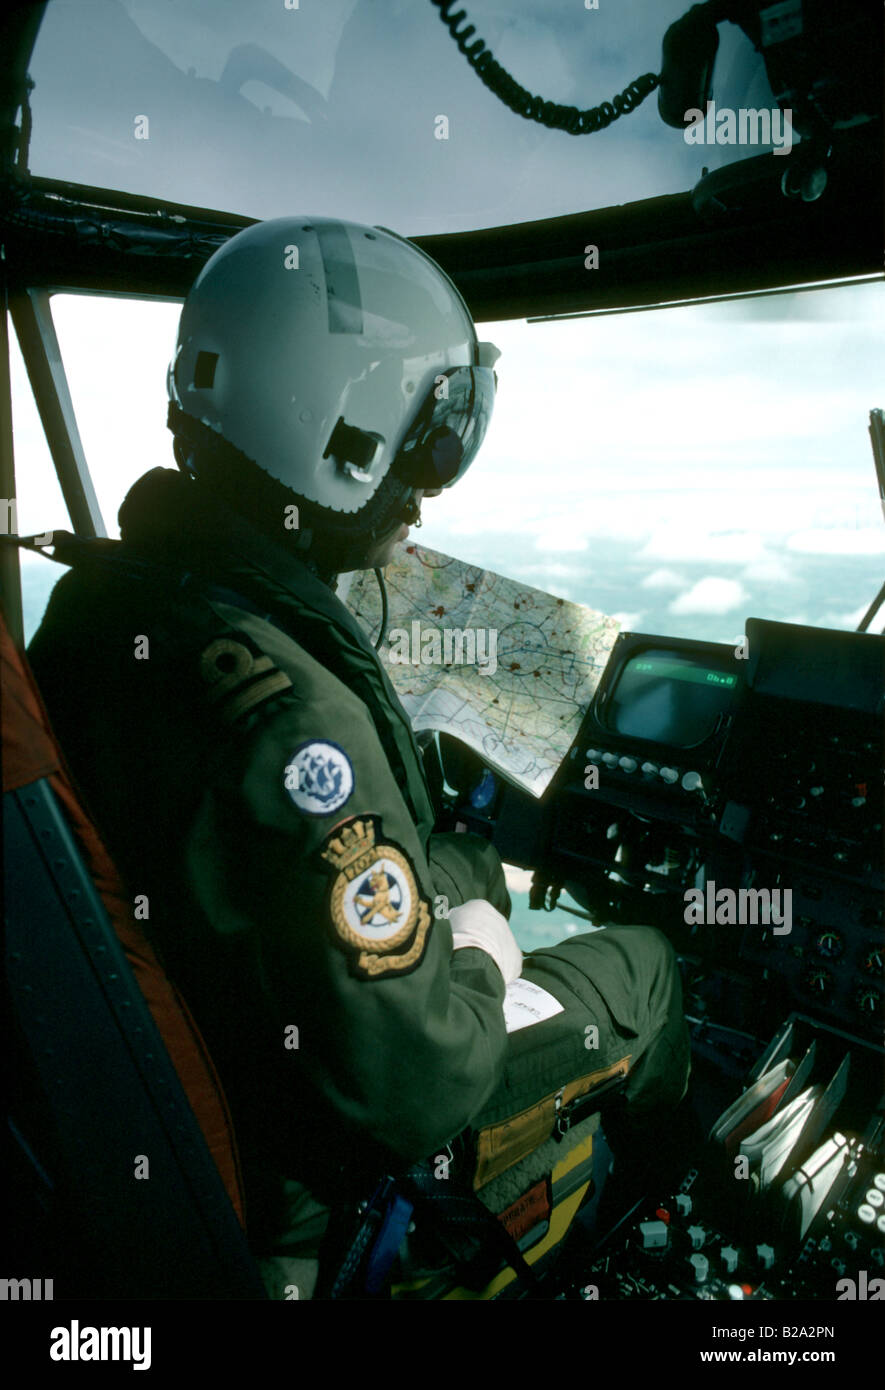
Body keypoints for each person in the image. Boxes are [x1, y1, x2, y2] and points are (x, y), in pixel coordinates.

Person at [27, 216, 690, 1297]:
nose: (430, 487)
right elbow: (421, 1085)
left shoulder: (102, 605)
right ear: (343, 438)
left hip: (182, 1085)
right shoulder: (298, 723)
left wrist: (454, 880)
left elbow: (255, 869)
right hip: (305, 1182)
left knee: (465, 863)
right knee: (648, 965)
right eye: (432, 440)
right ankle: (647, 1250)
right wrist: (479, 955)